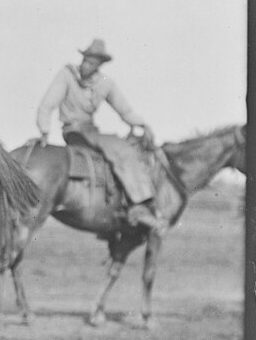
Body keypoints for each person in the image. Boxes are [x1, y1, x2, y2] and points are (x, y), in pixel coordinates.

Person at [36, 38, 166, 233]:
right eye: (85, 60)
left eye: (92, 63)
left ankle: (130, 202)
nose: (86, 65)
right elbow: (47, 103)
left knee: (127, 147)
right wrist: (45, 130)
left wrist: (142, 124)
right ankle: (139, 204)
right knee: (122, 150)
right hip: (73, 131)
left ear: (99, 65)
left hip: (90, 130)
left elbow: (125, 111)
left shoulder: (105, 83)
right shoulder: (67, 74)